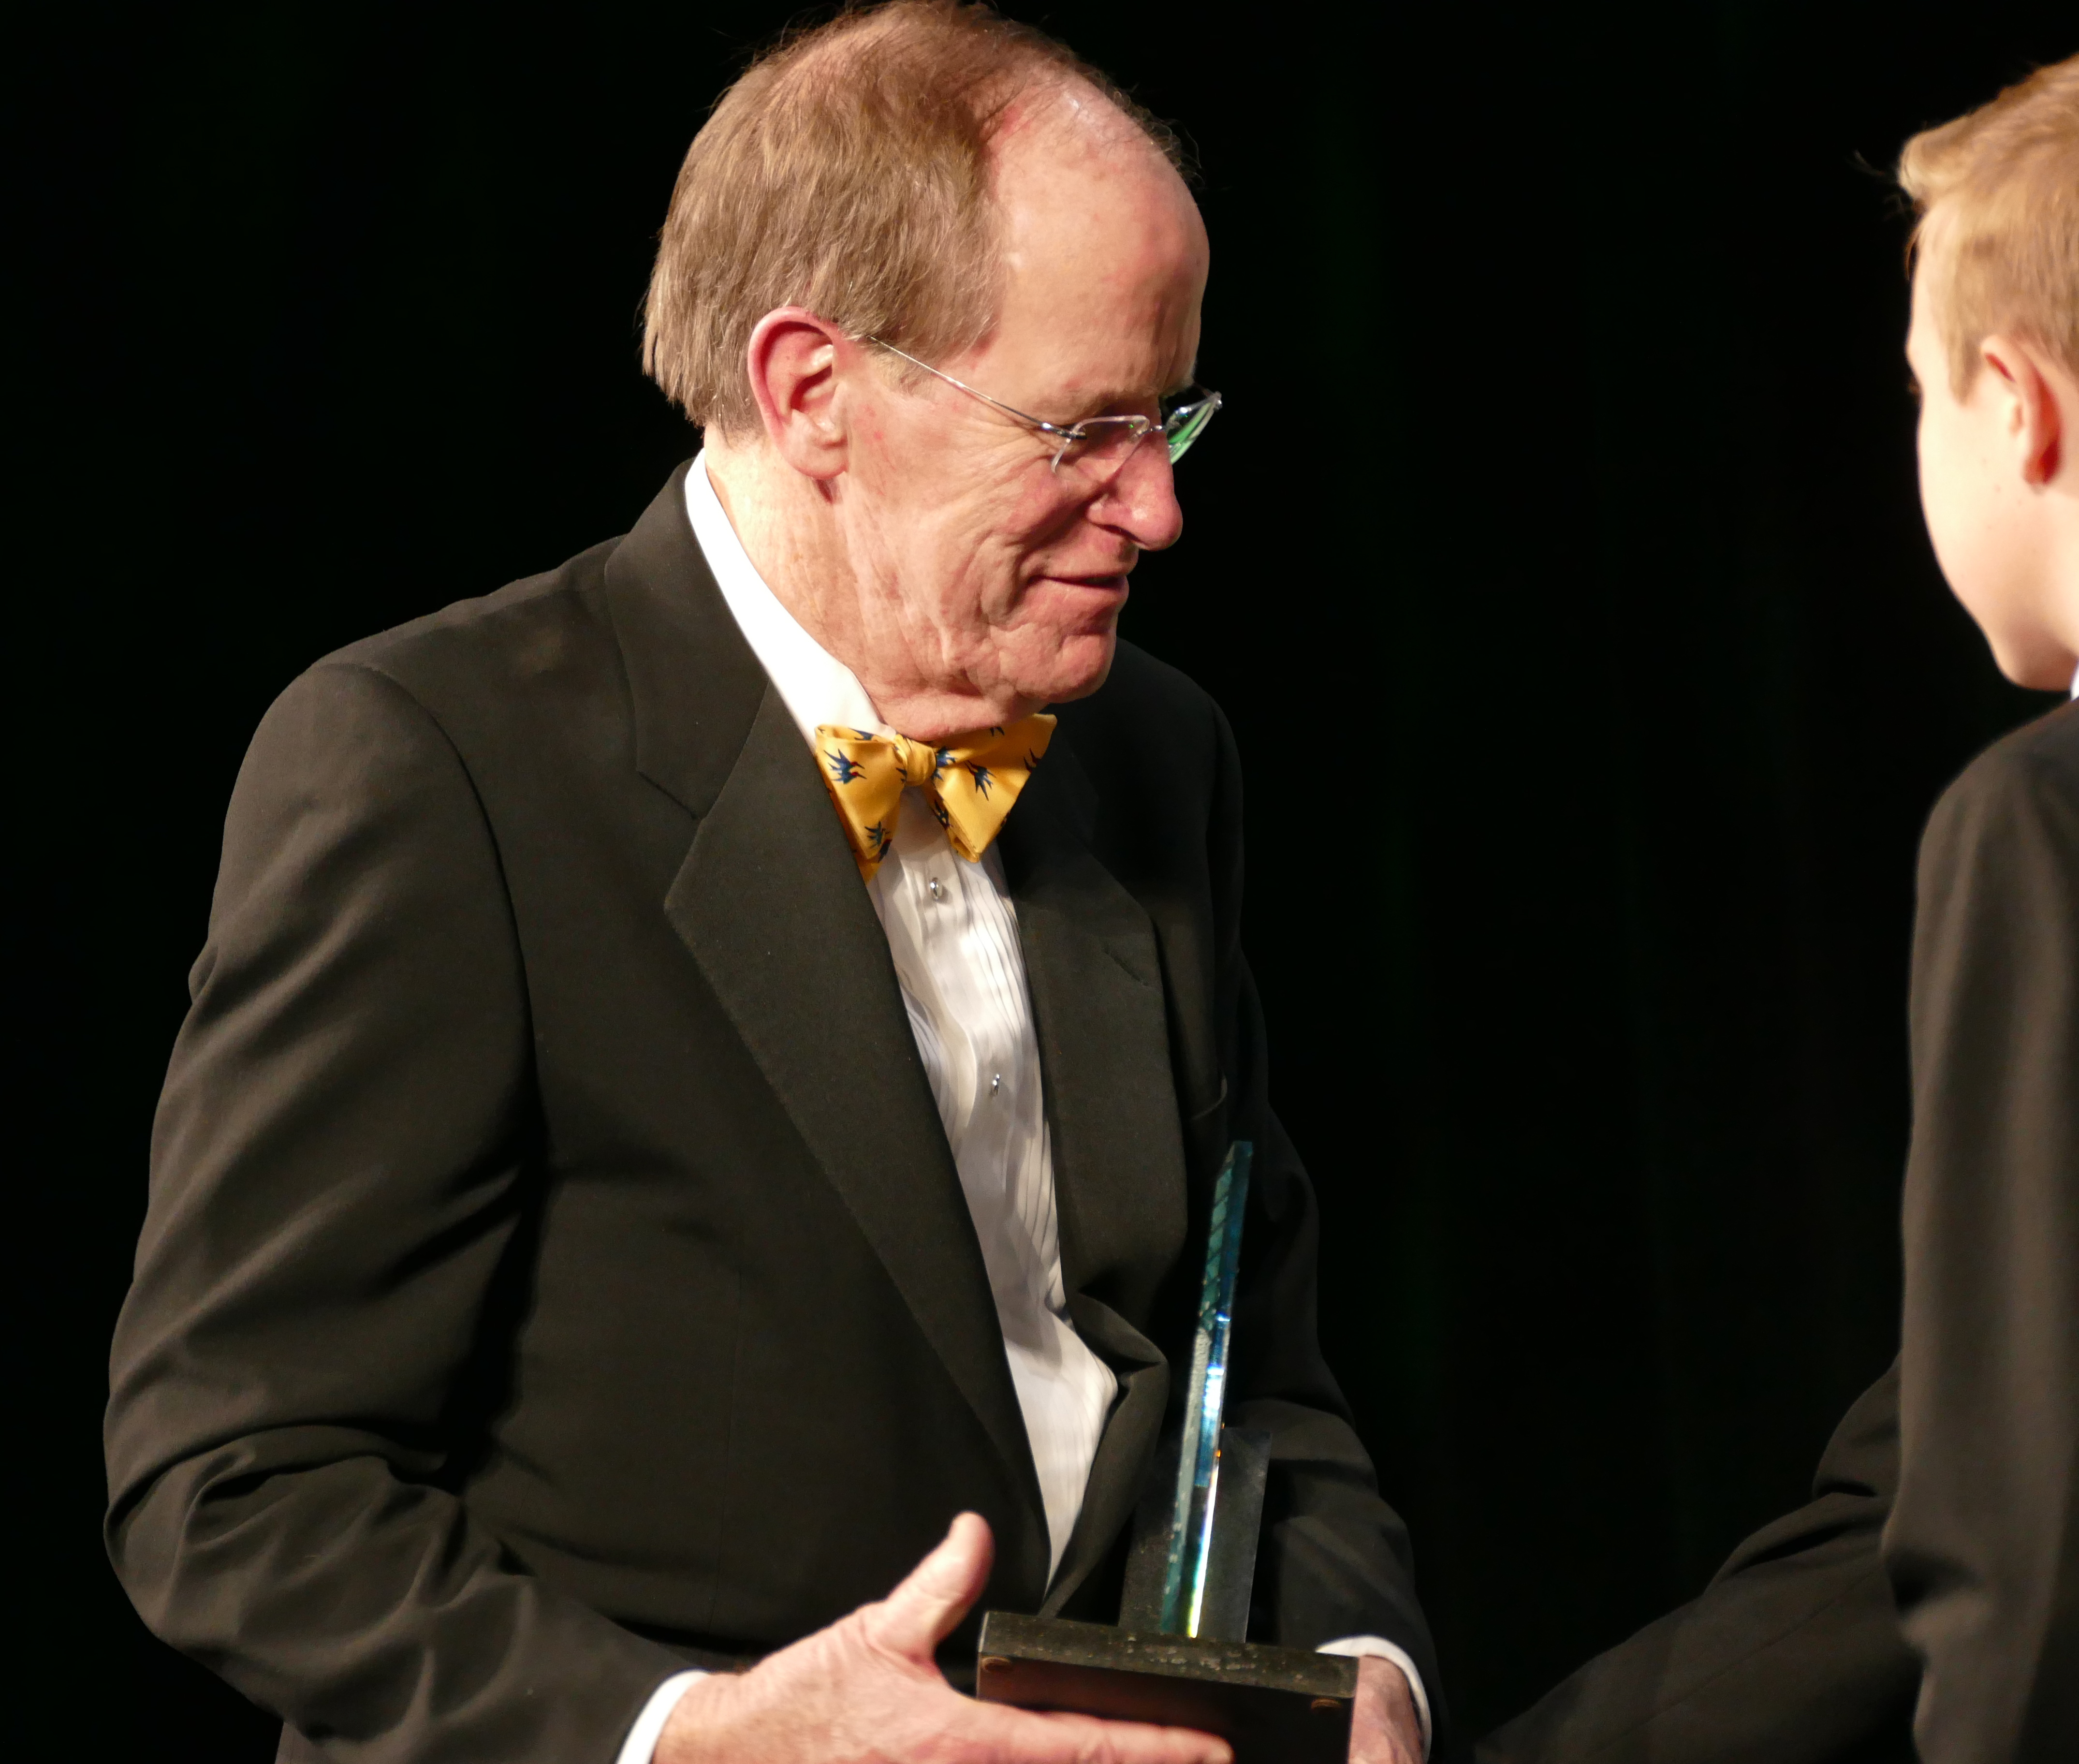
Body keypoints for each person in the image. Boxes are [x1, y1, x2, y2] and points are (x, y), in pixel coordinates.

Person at [102, 6, 1439, 1763]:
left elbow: (1247, 1367)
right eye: (1082, 431)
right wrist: (691, 1733)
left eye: (1168, 419)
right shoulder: (438, 767)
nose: (1156, 510)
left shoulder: (1152, 751)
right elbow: (234, 1481)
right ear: (814, 392)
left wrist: (1358, 1673)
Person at [1479, 53, 2079, 1764]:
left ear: (2013, 404)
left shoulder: (2037, 823)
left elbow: (2024, 1542)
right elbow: (1926, 1476)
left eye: (1916, 392)